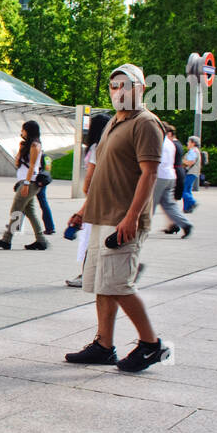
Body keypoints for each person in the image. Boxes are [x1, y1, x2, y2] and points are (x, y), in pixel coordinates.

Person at [63, 63, 170, 372]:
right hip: (101, 216)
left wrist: (132, 217)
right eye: (114, 87)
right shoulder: (114, 122)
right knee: (101, 283)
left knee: (119, 283)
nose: (119, 92)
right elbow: (104, 172)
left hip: (123, 219)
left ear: (141, 87)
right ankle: (104, 345)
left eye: (126, 86)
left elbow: (149, 175)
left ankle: (151, 344)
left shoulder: (146, 123)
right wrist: (84, 210)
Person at [66, 112, 110, 287]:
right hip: (112, 196)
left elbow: (89, 178)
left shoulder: (96, 148)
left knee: (90, 239)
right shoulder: (112, 145)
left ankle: (87, 275)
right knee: (102, 237)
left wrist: (83, 207)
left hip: (97, 198)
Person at [0, 120, 49, 250]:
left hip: (30, 182)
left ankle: (7, 239)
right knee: (30, 212)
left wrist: (26, 184)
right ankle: (41, 240)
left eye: (23, 130)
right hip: (24, 182)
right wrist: (21, 148)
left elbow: (32, 166)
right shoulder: (27, 145)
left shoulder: (35, 145)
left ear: (29, 131)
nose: (21, 132)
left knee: (15, 210)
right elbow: (17, 163)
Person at [152, 124, 192, 238]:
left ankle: (140, 227)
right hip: (171, 176)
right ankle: (185, 223)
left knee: (149, 204)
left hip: (160, 176)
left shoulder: (160, 142)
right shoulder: (170, 143)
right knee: (169, 204)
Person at [182, 135, 202, 212]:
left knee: (184, 190)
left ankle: (193, 202)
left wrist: (182, 161)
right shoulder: (196, 150)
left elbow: (190, 162)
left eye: (189, 142)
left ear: (193, 143)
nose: (187, 143)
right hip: (193, 172)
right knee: (187, 190)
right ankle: (187, 208)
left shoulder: (193, 151)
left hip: (190, 172)